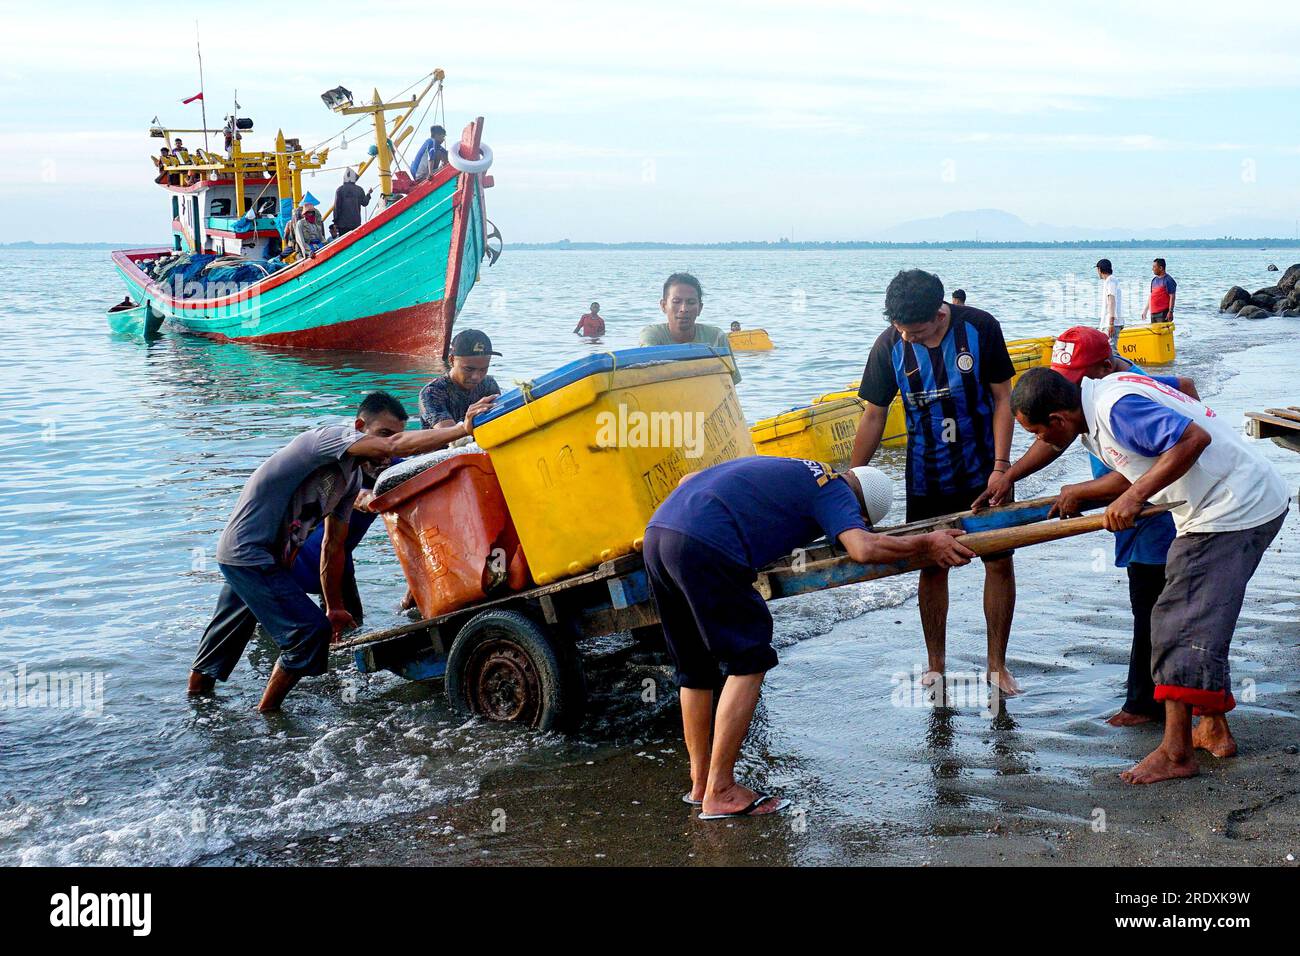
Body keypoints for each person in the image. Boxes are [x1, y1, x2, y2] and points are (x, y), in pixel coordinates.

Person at [644, 456, 974, 818]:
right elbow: (862, 548)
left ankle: (699, 783)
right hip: (706, 546)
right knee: (749, 659)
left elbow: (689, 478)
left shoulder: (797, 468)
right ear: (861, 511)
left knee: (694, 667)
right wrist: (926, 544)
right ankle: (721, 789)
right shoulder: (834, 488)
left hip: (659, 534)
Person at [1009, 367, 1288, 784]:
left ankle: (1176, 753)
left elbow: (1193, 439)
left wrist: (1134, 497)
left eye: (1040, 434)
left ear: (1058, 420)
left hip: (1231, 509)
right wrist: (1083, 491)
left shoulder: (1115, 407)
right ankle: (1213, 728)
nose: (1042, 443)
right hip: (1237, 500)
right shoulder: (1099, 403)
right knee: (1200, 618)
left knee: (1175, 622)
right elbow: (1145, 457)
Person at [188, 391, 497, 712]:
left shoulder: (348, 480)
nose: (386, 448)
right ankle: (267, 713)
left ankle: (195, 706)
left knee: (219, 647)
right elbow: (394, 447)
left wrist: (334, 606)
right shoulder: (327, 439)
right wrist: (462, 429)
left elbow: (333, 546)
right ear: (359, 426)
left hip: (265, 560)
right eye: (383, 433)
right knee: (308, 635)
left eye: (394, 434)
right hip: (250, 553)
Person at [975, 326, 1199, 727]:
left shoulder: (1125, 390)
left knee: (1152, 602)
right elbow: (1053, 433)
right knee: (1149, 601)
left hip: (1152, 510)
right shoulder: (1082, 392)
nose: (1068, 390)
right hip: (1124, 503)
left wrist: (1089, 490)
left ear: (1104, 366)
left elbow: (1145, 464)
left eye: (1073, 382)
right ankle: (1155, 696)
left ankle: (1145, 704)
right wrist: (1010, 475)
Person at [850, 269, 1019, 695]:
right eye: (901, 329)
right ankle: (935, 666)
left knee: (998, 561)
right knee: (930, 563)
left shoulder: (980, 327)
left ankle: (996, 667)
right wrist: (850, 483)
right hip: (926, 472)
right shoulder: (890, 343)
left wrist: (1002, 466)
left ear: (940, 314)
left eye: (917, 330)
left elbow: (1004, 398)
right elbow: (873, 414)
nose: (908, 337)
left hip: (984, 468)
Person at [639, 272, 741, 381]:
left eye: (691, 302)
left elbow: (730, 385)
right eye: (676, 302)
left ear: (700, 308)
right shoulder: (652, 336)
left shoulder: (716, 338)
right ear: (664, 306)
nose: (683, 308)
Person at [419, 329, 502, 436]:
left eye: (483, 369)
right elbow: (451, 438)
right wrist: (467, 422)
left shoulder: (488, 383)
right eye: (469, 369)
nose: (476, 377)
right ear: (452, 360)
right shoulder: (432, 392)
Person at [333, 167, 372, 236]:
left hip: (342, 224)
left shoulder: (340, 190)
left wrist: (335, 222)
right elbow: (365, 203)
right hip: (356, 223)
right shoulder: (359, 189)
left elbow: (337, 207)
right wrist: (368, 194)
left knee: (344, 243)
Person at [1097, 258, 1123, 349]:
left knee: (1111, 350)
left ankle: (1123, 363)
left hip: (1111, 323)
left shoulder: (1110, 281)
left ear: (1100, 269)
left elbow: (1111, 301)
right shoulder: (1110, 281)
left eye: (1097, 270)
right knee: (1107, 350)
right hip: (1109, 323)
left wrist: (1111, 323)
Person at [1142, 258, 1177, 324]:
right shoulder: (1154, 280)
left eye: (1154, 267)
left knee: (1162, 333)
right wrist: (1145, 310)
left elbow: (1172, 296)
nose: (1152, 269)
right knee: (1155, 334)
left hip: (1163, 314)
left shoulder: (1168, 280)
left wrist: (1170, 312)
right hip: (1153, 313)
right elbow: (1151, 296)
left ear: (1161, 268)